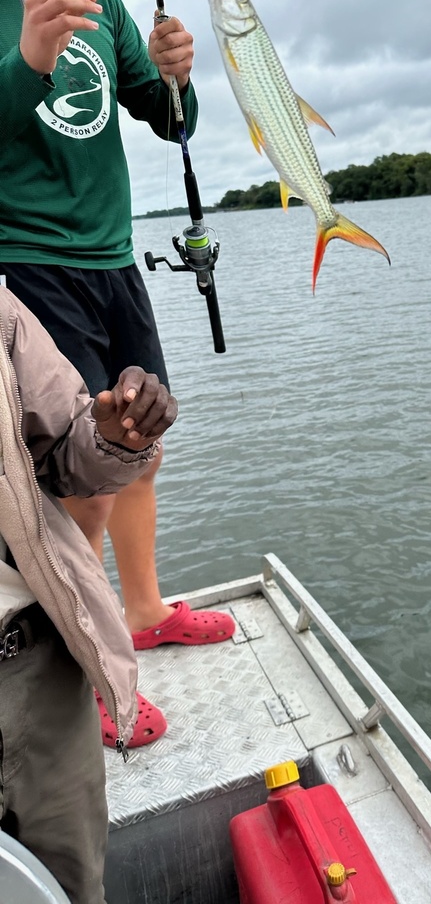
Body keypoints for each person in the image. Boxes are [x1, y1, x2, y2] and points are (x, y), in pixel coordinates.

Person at [0, 0, 234, 747]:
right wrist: (24, 61)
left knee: (140, 444)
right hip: (23, 270)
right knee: (76, 480)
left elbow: (168, 122)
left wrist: (179, 78)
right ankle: (92, 662)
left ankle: (141, 608)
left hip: (111, 258)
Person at [0, 285, 177, 904]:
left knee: (77, 887)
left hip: (36, 665)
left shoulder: (3, 313)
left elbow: (67, 449)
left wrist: (116, 436)